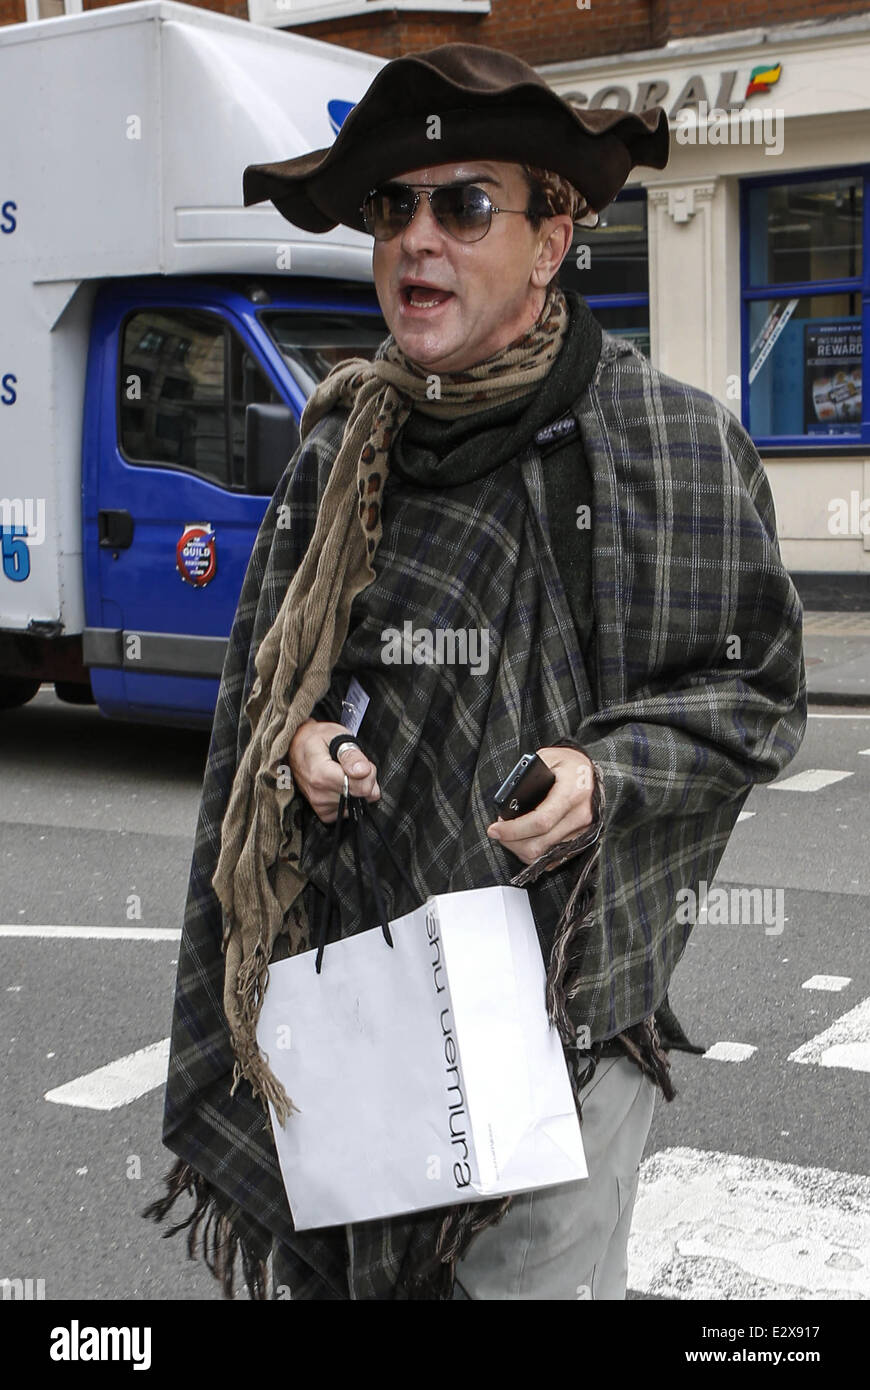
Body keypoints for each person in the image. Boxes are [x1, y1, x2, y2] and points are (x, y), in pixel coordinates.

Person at [143, 43, 807, 1301]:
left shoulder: (668, 444)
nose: (417, 240)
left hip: (558, 1025)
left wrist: (603, 775)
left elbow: (757, 694)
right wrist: (303, 746)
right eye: (396, 206)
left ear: (553, 238)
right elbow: (279, 692)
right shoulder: (343, 443)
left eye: (465, 204)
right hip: (359, 1001)